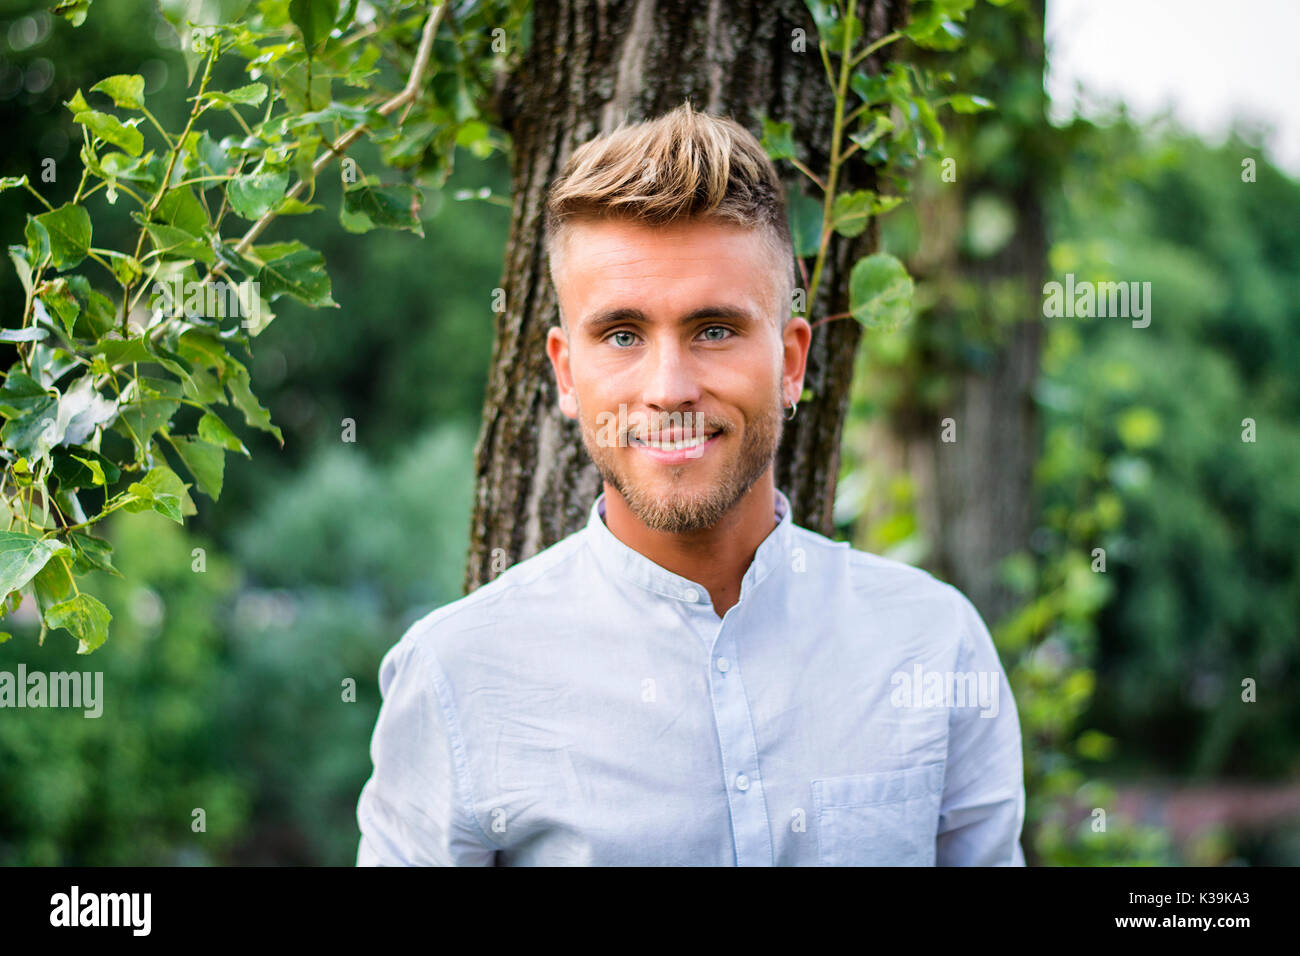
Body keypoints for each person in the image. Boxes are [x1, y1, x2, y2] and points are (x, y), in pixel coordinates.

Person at [356, 102, 1026, 866]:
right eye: (622, 335)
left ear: (792, 362)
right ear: (566, 373)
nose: (669, 387)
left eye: (714, 329)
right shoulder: (456, 676)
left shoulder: (934, 648)